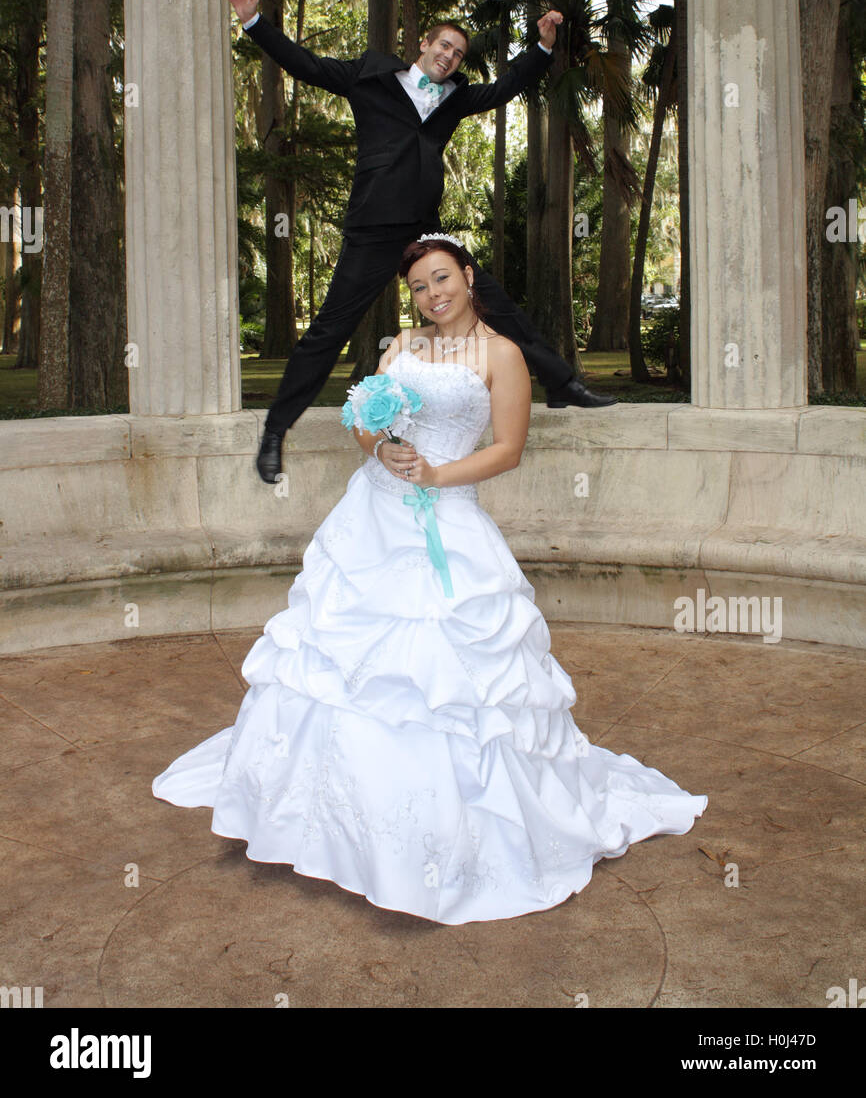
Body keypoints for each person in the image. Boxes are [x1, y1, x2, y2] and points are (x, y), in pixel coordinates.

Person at [152, 235, 707, 927]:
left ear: (468, 277)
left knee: (446, 678)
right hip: (373, 516)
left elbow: (508, 449)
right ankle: (320, 821)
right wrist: (381, 446)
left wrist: (438, 475)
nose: (431, 294)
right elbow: (363, 416)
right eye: (418, 286)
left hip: (449, 514)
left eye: (441, 278)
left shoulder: (502, 355)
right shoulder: (400, 347)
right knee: (339, 661)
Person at [221, 0, 616, 487]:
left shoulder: (455, 99)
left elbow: (504, 87)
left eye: (458, 53)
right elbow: (306, 64)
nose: (449, 57)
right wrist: (255, 21)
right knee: (327, 332)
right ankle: (276, 431)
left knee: (494, 304)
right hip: (372, 227)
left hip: (423, 233)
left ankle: (562, 383)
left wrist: (541, 47)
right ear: (424, 46)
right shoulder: (370, 77)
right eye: (443, 46)